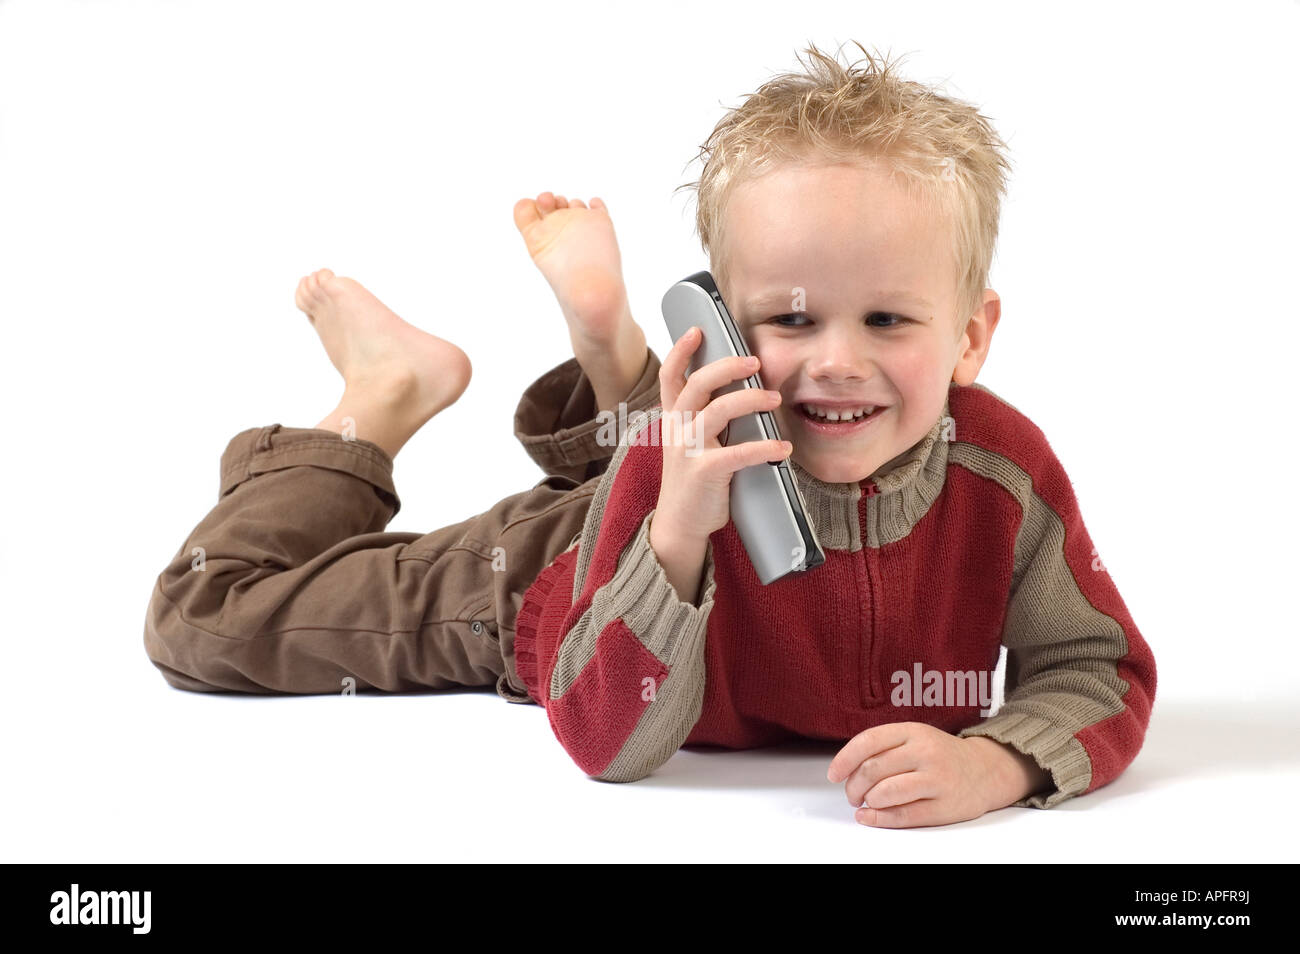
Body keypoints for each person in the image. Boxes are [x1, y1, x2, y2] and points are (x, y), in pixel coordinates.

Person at [144, 41, 1155, 828]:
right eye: (790, 320)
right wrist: (672, 536)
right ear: (715, 318)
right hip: (553, 582)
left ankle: (618, 362)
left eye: (887, 320)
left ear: (971, 335)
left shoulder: (1004, 476)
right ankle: (385, 390)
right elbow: (605, 742)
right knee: (207, 622)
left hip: (673, 442)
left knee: (669, 430)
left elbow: (1099, 669)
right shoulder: (664, 474)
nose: (835, 362)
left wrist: (998, 762)